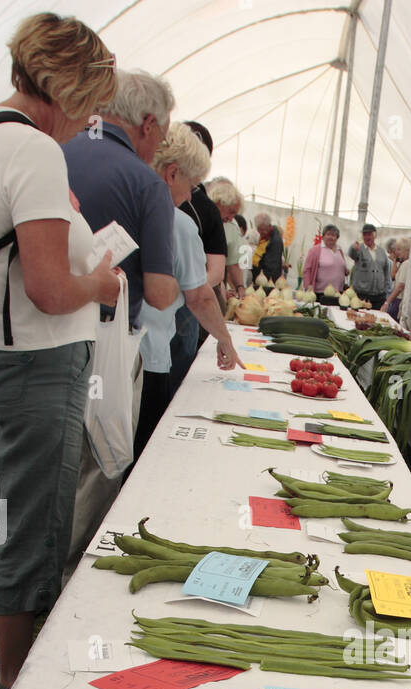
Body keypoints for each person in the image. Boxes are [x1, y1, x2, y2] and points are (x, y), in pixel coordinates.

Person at [0, 14, 121, 689]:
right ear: (64, 85)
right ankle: (14, 686)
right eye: (86, 103)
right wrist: (104, 285)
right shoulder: (33, 150)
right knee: (31, 523)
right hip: (37, 360)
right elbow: (53, 289)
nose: (85, 122)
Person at [63, 69, 178, 571]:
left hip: (29, 337)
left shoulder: (58, 147)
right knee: (97, 465)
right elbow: (158, 292)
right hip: (103, 347)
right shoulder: (146, 183)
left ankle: (12, 587)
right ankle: (69, 579)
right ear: (148, 123)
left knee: (33, 470)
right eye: (164, 131)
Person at [134, 125, 243, 457]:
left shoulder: (125, 203)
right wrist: (224, 340)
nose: (190, 194)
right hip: (148, 356)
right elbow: (199, 296)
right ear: (171, 175)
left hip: (109, 352)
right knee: (143, 450)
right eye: (191, 185)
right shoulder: (177, 224)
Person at [170, 120, 227, 393]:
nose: (184, 196)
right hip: (179, 310)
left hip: (181, 310)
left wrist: (191, 284)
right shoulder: (176, 218)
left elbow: (216, 271)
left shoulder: (205, 209)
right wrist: (191, 289)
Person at [207, 179, 246, 299]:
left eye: (235, 214)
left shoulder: (231, 226)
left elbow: (233, 263)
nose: (231, 218)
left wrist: (239, 286)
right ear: (219, 202)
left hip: (214, 286)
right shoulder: (199, 217)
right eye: (230, 212)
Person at [348, 224, 390, 309]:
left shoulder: (381, 251)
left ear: (375, 235)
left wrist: (385, 289)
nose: (367, 237)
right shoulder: (359, 249)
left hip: (379, 296)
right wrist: (353, 248)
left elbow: (386, 271)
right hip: (362, 295)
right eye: (365, 234)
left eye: (369, 234)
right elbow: (352, 254)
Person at [302, 225, 348, 300]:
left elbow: (341, 267)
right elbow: (307, 270)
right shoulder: (315, 250)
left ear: (337, 238)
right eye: (328, 234)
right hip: (321, 293)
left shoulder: (340, 250)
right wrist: (308, 289)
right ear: (323, 237)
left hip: (338, 294)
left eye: (333, 235)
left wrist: (346, 270)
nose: (330, 237)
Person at [251, 212, 284, 284]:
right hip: (258, 278)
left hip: (266, 282)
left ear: (269, 226)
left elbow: (271, 267)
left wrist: (260, 279)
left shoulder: (275, 241)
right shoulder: (265, 236)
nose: (261, 232)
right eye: (259, 229)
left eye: (263, 229)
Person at [383, 236, 411, 317]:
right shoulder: (402, 263)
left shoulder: (406, 264)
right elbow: (393, 276)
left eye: (399, 249)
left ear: (407, 250)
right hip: (397, 299)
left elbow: (400, 286)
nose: (396, 252)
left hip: (398, 299)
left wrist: (387, 302)